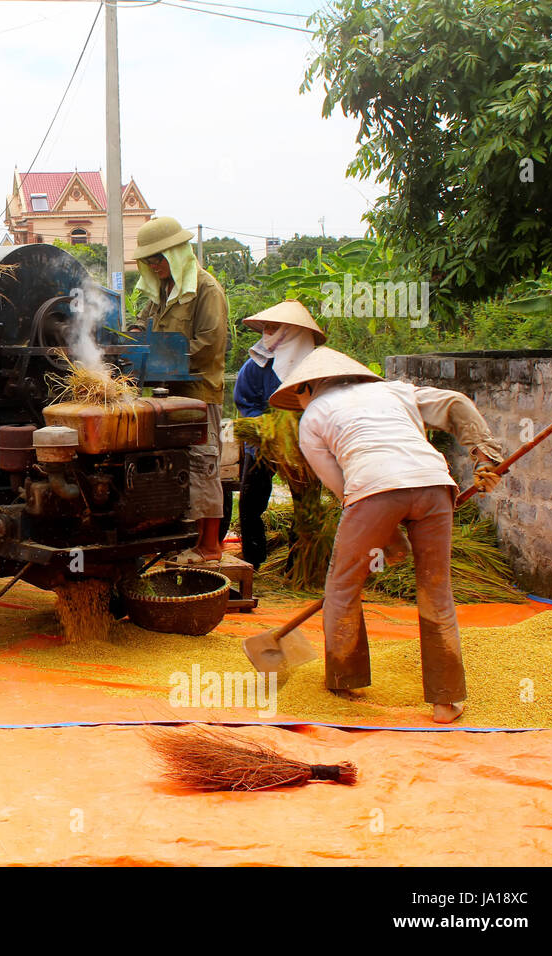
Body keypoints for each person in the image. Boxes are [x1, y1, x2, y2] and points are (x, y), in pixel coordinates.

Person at [268, 348, 505, 724]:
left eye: (298, 393)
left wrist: (386, 533)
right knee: (436, 589)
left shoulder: (312, 416)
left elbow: (343, 488)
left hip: (372, 490)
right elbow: (457, 403)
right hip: (434, 486)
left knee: (343, 585)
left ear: (310, 387)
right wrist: (485, 456)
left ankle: (346, 679)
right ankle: (446, 700)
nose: (298, 401)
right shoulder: (396, 390)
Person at [128, 217, 228, 563]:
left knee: (203, 464)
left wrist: (161, 360)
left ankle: (210, 547)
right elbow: (142, 325)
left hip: (198, 393)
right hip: (164, 394)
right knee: (173, 467)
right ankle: (183, 541)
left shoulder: (205, 288)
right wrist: (129, 338)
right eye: (150, 260)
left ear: (176, 252)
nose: (155, 265)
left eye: (160, 258)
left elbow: (209, 343)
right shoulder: (162, 291)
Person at [232, 301, 325, 568]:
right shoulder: (254, 367)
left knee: (307, 507)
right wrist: (266, 429)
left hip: (305, 446)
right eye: (266, 329)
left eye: (274, 329)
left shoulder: (317, 369)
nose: (267, 334)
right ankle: (253, 562)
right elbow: (246, 404)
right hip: (263, 445)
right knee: (250, 503)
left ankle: (300, 564)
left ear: (292, 333)